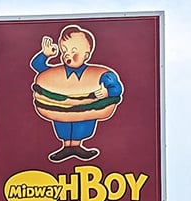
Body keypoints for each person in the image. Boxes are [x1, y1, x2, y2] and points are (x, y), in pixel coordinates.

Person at [30, 25, 124, 162]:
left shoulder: (101, 74)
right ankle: (66, 147)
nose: (68, 55)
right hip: (57, 107)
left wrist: (107, 92)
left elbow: (117, 88)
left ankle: (77, 146)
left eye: (74, 51)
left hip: (90, 106)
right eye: (65, 51)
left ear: (86, 54)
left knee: (82, 126)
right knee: (63, 126)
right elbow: (37, 66)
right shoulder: (54, 74)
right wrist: (45, 54)